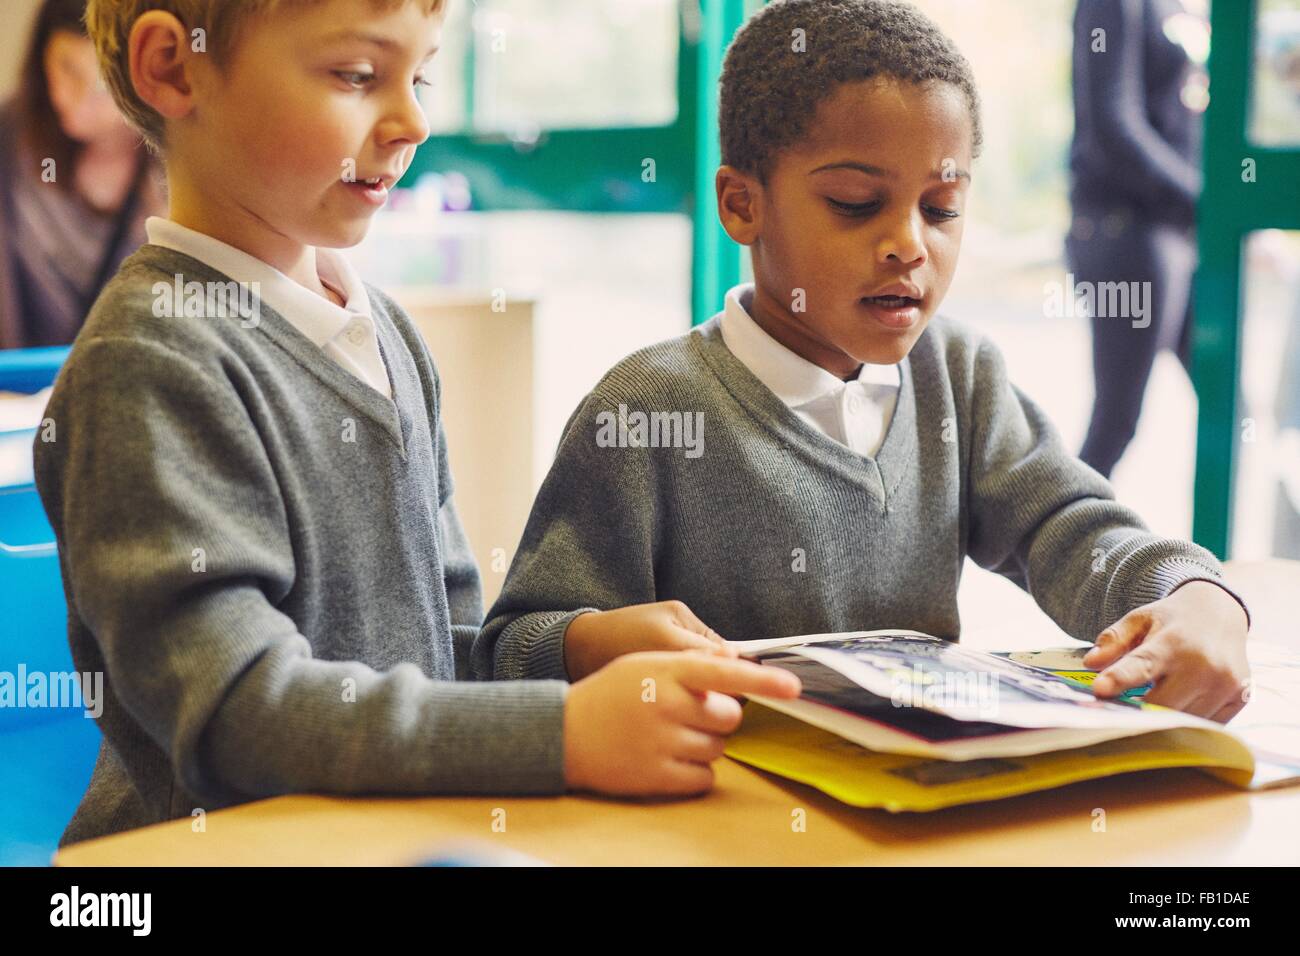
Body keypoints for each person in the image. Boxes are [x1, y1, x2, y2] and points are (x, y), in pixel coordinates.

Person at [35, 0, 800, 847]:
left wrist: (572, 651)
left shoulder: (386, 334)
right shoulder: (149, 363)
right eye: (358, 75)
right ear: (174, 68)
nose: (413, 121)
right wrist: (561, 734)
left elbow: (439, 657)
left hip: (390, 842)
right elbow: (236, 714)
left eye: (423, 75)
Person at [476, 0, 1253, 723]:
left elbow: (1068, 523)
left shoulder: (957, 376)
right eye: (855, 203)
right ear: (742, 205)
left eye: (942, 207)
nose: (911, 243)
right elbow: (510, 648)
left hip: (914, 816)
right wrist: (591, 646)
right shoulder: (648, 409)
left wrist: (1191, 592)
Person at [1069, 0, 1209, 478]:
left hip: (1182, 235)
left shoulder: (1188, 10)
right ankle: (1040, 546)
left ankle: (1217, 548)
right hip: (1126, 233)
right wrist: (1206, 201)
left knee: (1226, 402)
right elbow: (1113, 125)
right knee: (1116, 422)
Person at [0, 0, 164, 350]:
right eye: (67, 67)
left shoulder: (180, 161)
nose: (75, 99)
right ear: (41, 49)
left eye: (101, 86)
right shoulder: (8, 139)